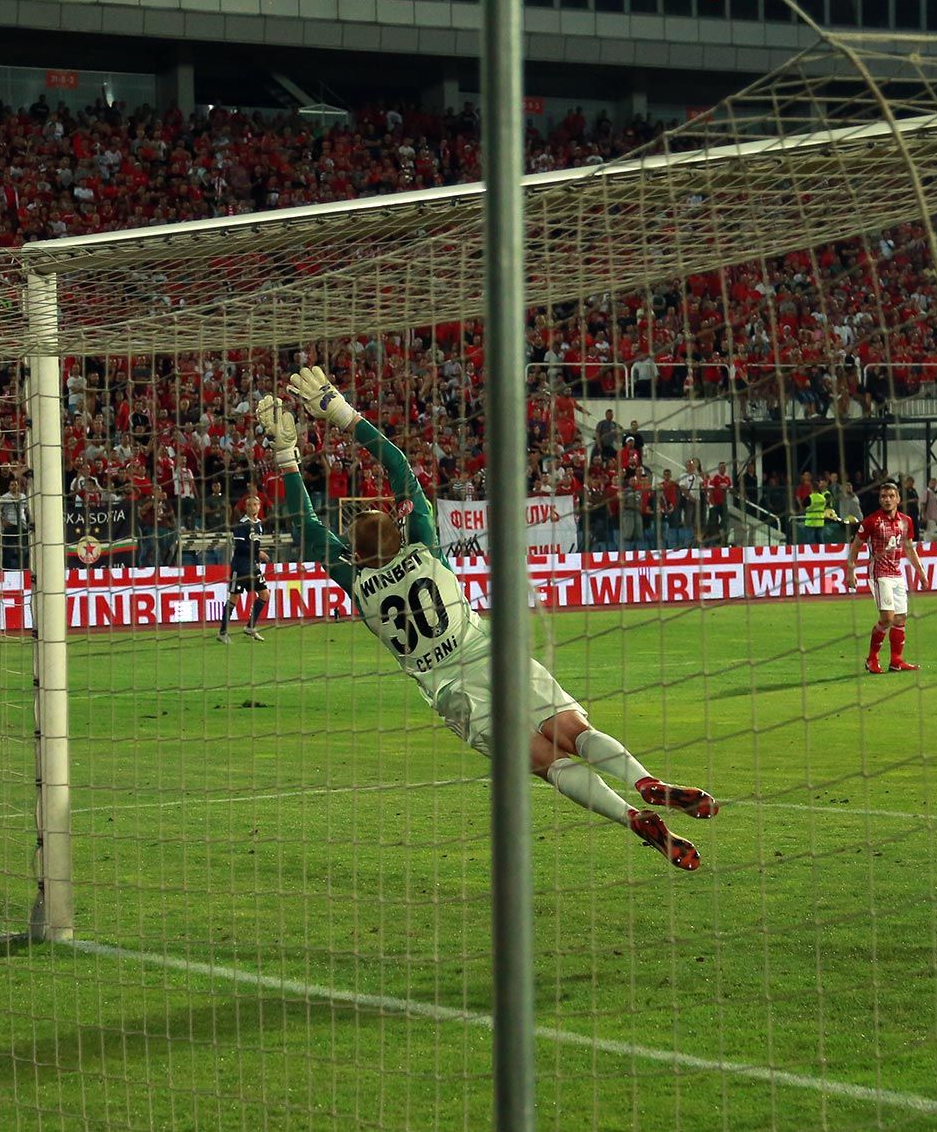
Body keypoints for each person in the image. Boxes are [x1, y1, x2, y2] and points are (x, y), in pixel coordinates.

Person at [263, 369, 715, 870]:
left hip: (452, 690)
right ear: (400, 530)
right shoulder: (424, 549)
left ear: (354, 554)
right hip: (491, 655)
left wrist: (287, 460)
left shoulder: (357, 587)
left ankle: (630, 816)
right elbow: (400, 471)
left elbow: (306, 528)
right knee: (573, 731)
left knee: (546, 763)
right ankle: (644, 781)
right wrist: (344, 416)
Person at [845, 482, 927, 674]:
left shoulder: (906, 521)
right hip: (879, 574)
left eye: (891, 496)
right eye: (883, 496)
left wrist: (921, 572)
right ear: (880, 499)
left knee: (900, 618)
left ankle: (896, 661)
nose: (887, 499)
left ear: (898, 498)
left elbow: (908, 548)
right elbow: (856, 545)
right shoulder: (872, 521)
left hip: (897, 574)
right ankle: (872, 659)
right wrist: (851, 570)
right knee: (887, 618)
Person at [217, 493, 271, 643]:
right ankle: (222, 632)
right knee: (234, 598)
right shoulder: (241, 524)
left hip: (253, 567)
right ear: (245, 507)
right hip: (240, 567)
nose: (251, 507)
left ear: (259, 507)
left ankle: (250, 627)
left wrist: (257, 557)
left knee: (265, 594)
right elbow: (240, 547)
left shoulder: (259, 524)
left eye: (254, 504)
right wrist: (258, 553)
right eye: (248, 505)